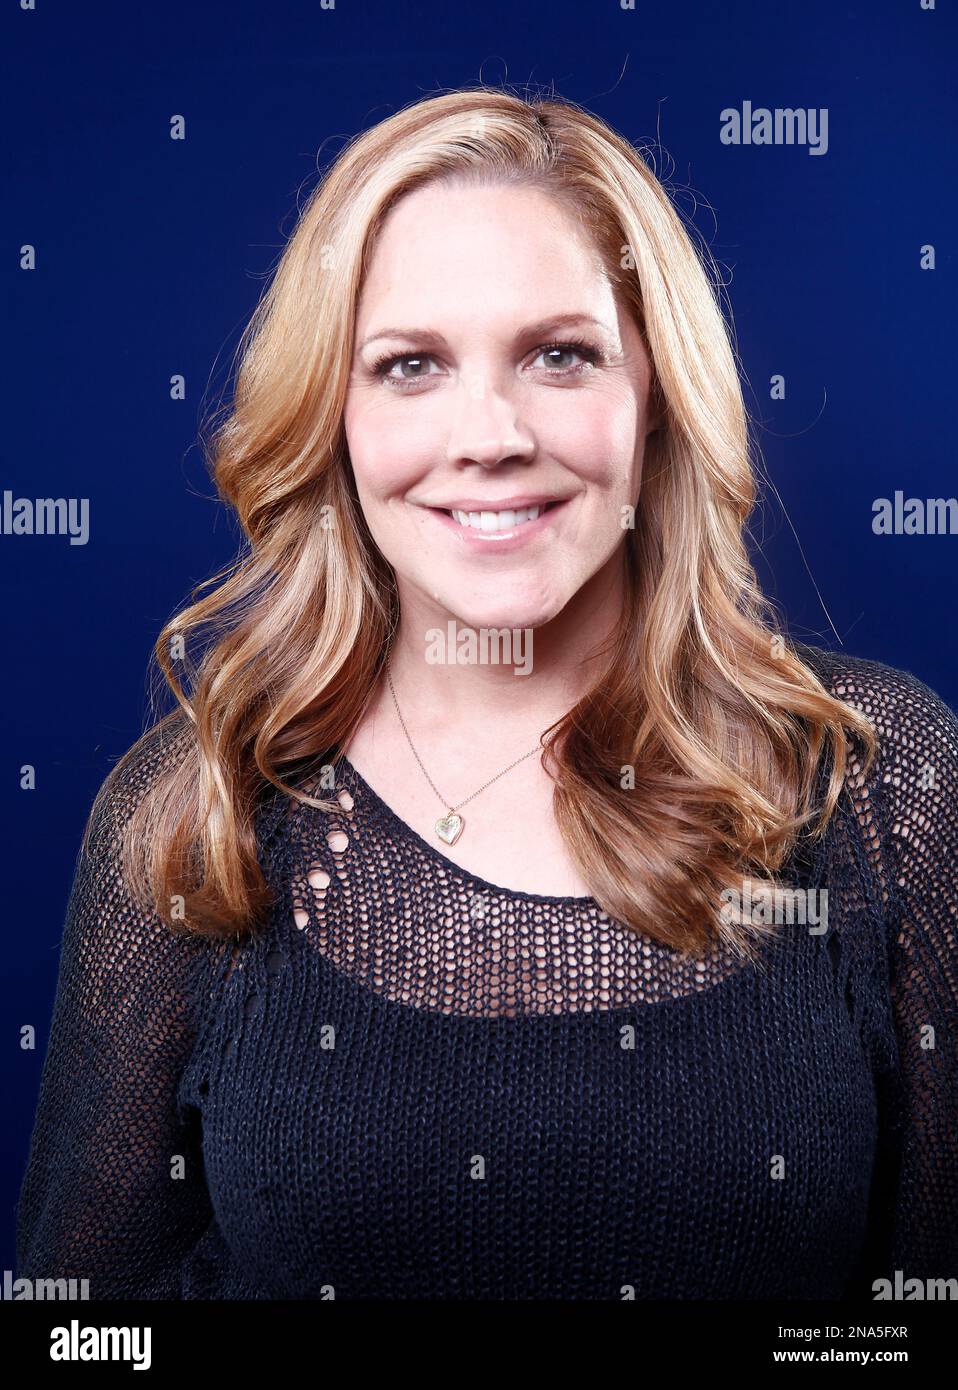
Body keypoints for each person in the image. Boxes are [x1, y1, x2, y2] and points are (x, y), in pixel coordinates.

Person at [15, 86, 958, 1300]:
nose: (490, 433)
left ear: (656, 394)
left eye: (558, 355)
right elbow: (76, 1336)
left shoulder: (884, 784)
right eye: (409, 367)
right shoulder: (195, 816)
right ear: (333, 419)